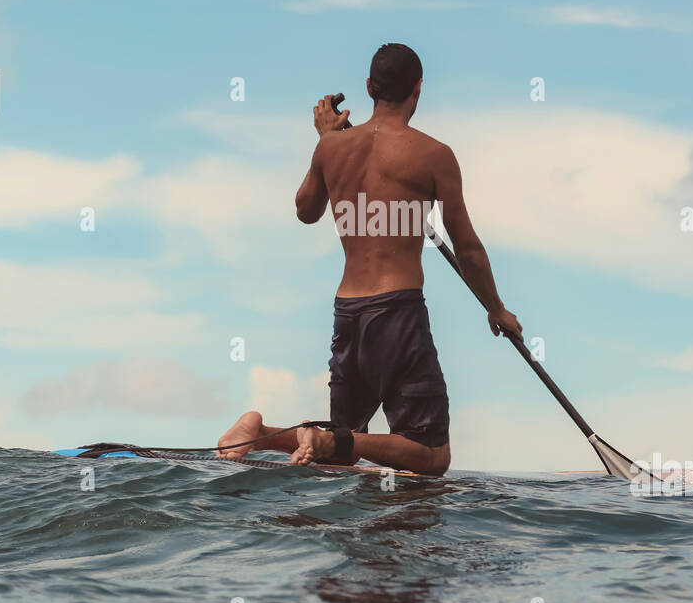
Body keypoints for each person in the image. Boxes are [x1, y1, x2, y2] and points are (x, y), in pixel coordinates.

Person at [216, 43, 521, 474]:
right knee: (432, 455)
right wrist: (496, 308)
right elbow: (466, 247)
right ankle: (316, 438)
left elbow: (306, 212)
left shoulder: (331, 148)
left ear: (368, 88)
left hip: (348, 313)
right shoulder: (434, 155)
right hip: (397, 311)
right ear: (418, 88)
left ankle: (261, 429)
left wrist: (327, 146)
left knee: (343, 451)